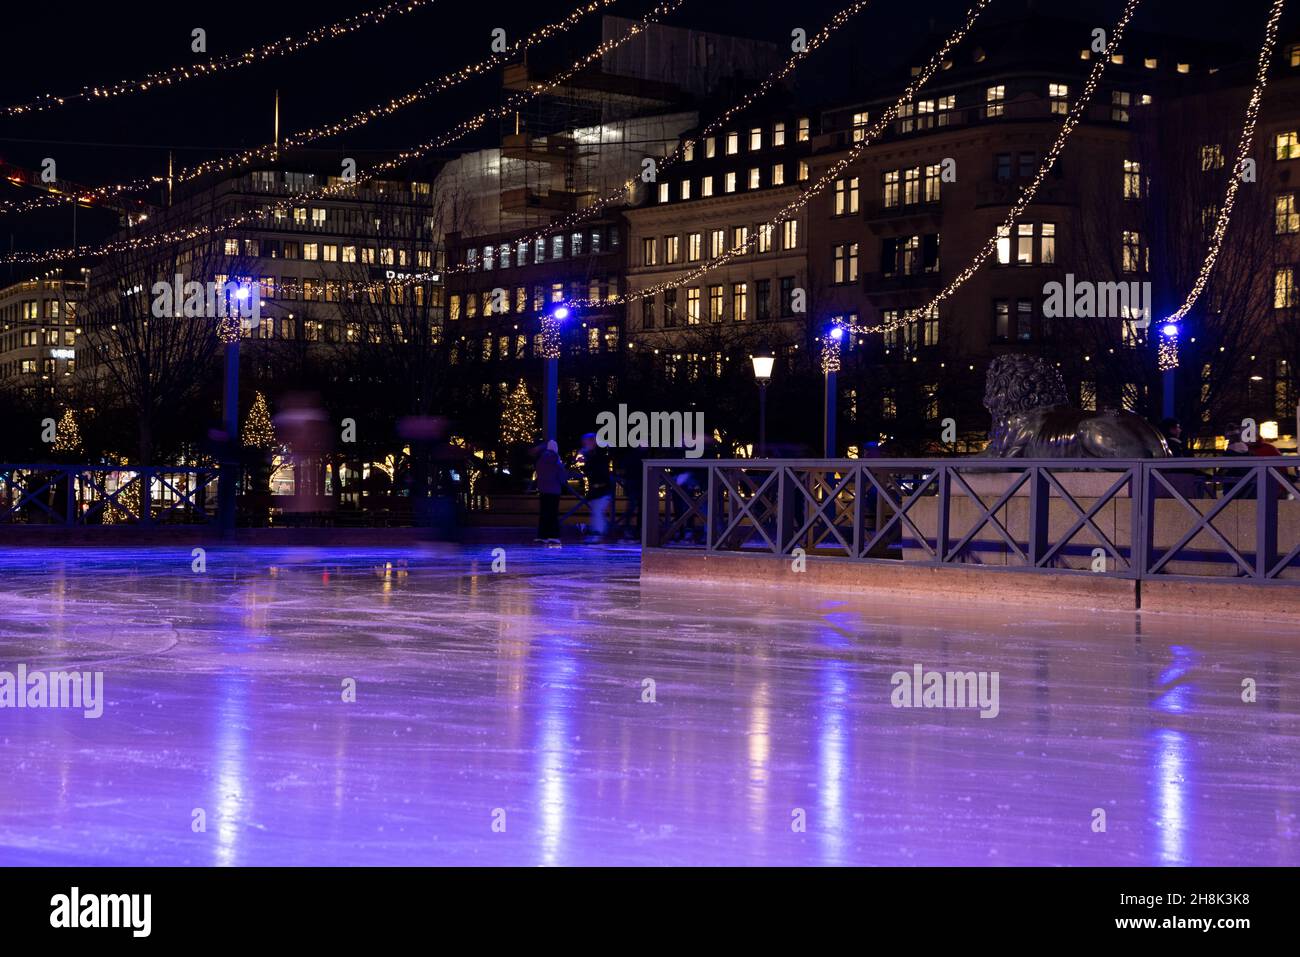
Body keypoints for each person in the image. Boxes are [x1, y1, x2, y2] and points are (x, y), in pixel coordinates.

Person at [580, 433, 612, 543]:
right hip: (598, 489)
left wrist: (586, 459)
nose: (585, 444)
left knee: (597, 511)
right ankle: (599, 531)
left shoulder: (598, 454)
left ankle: (598, 533)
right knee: (597, 511)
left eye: (587, 442)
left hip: (602, 488)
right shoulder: (595, 454)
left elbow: (595, 469)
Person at [534, 440, 565, 546]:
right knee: (553, 513)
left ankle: (542, 536)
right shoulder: (556, 459)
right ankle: (554, 536)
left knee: (544, 513)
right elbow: (561, 475)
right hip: (554, 490)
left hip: (543, 489)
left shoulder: (541, 459)